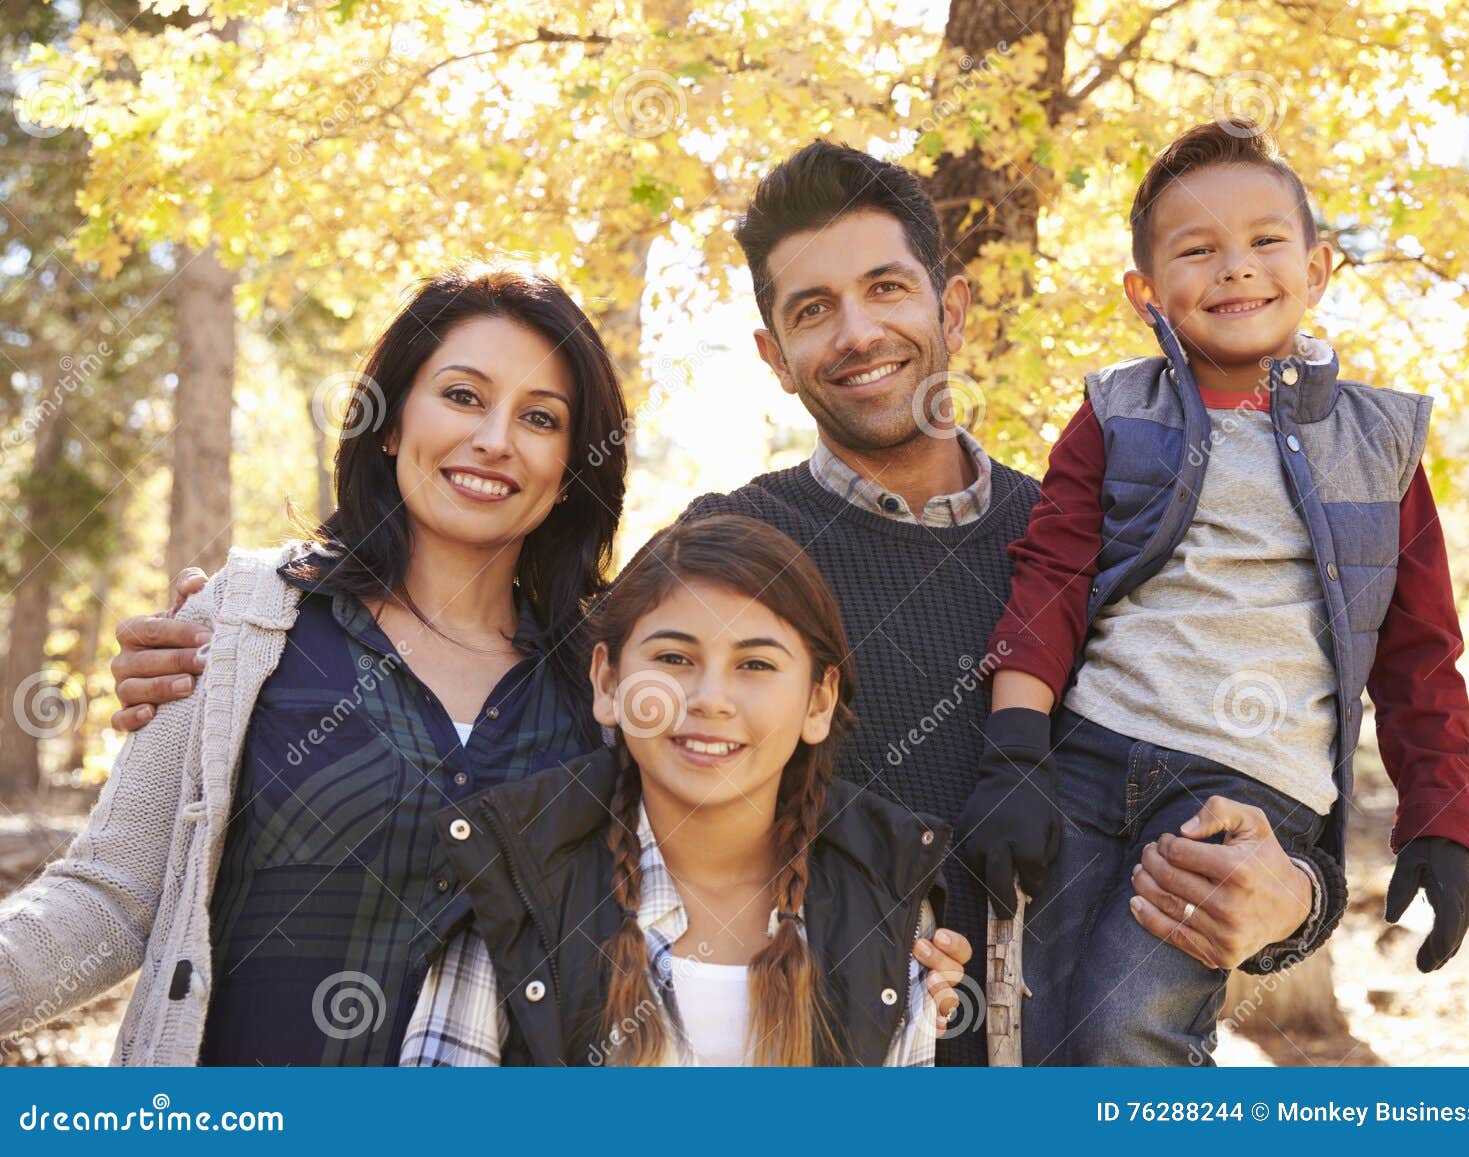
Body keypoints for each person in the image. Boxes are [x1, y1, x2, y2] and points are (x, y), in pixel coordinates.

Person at [104, 142, 1346, 1067]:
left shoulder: (1089, 540)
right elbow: (520, 701)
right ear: (772, 351)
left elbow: (1249, 775)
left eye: (887, 290)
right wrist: (238, 649)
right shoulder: (723, 553)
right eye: (812, 310)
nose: (858, 334)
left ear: (948, 306)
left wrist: (1292, 900)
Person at [0, 265, 629, 1064]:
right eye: (463, 396)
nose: (496, 439)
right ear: (392, 422)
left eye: (540, 418)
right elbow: (111, 899)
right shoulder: (243, 621)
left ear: (573, 466)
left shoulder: (604, 683)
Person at [965, 120, 1469, 1066]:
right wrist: (1014, 747)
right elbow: (1053, 577)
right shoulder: (1117, 413)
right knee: (1026, 1027)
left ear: (1319, 268)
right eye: (1198, 250)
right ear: (1145, 291)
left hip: (1243, 781)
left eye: (1265, 242)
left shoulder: (1381, 444)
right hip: (1089, 752)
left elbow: (1421, 656)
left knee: (1130, 1025)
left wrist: (1440, 825)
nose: (1236, 269)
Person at [400, 515, 966, 1066]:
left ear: (818, 703)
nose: (710, 698)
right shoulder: (516, 881)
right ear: (608, 682)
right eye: (673, 658)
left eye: (756, 664)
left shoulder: (885, 899)